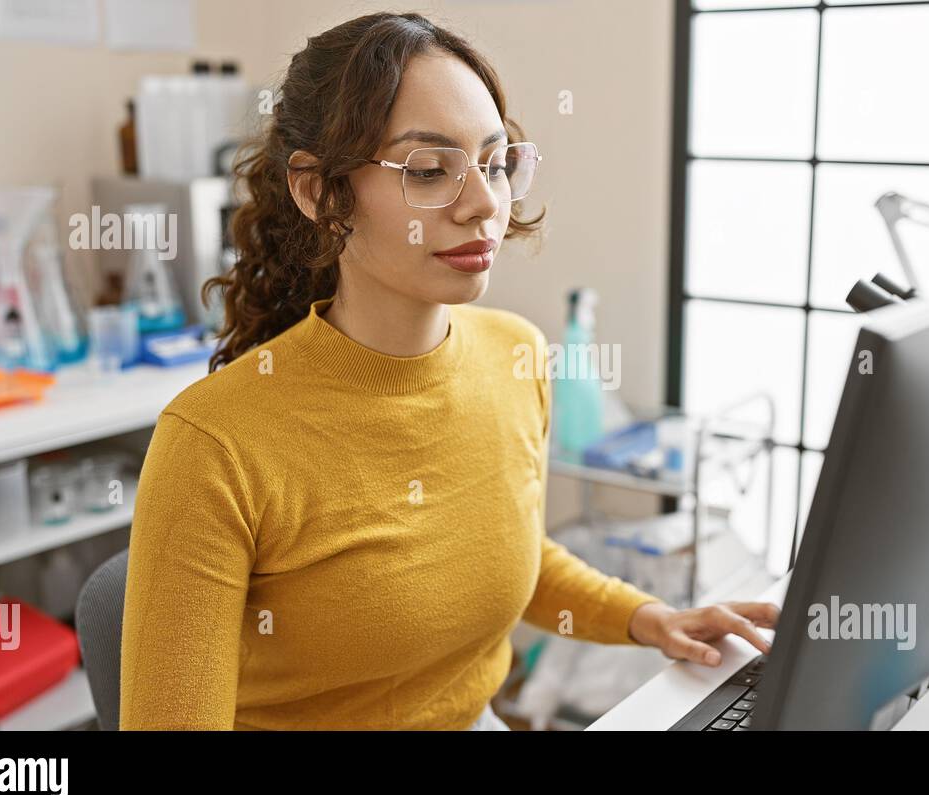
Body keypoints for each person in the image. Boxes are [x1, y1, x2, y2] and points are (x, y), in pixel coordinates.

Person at [120, 11, 777, 730]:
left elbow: (503, 550)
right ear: (318, 192)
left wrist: (650, 618)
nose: (485, 204)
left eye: (495, 163)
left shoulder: (515, 356)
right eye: (430, 171)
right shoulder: (214, 444)